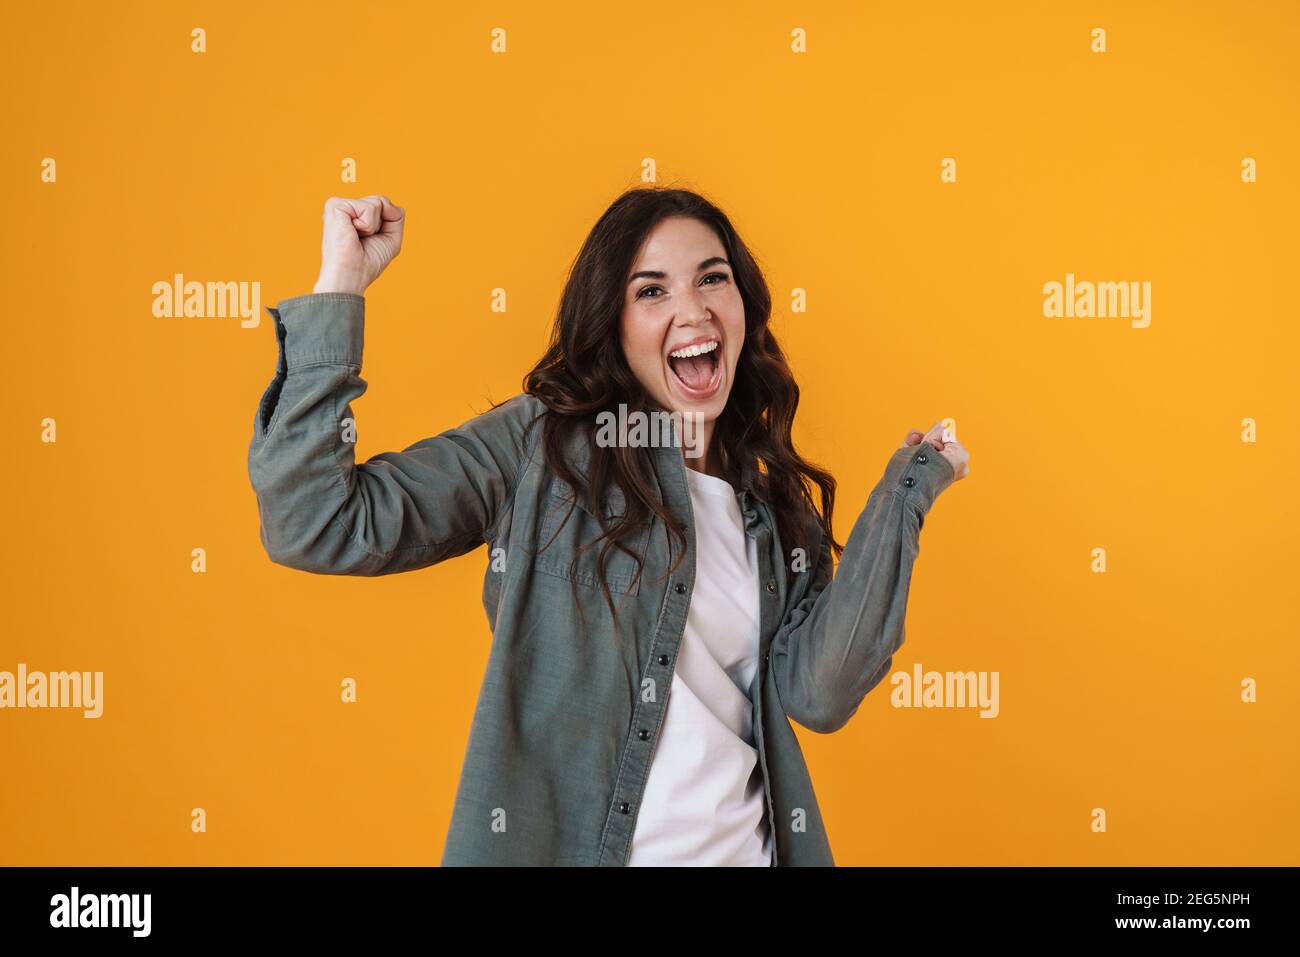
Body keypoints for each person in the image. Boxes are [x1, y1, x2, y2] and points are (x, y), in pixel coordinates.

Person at [247, 186, 970, 866]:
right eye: (651, 290)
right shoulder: (542, 448)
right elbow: (314, 518)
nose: (692, 310)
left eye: (712, 278)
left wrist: (905, 493)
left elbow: (821, 694)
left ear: (743, 302)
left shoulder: (775, 507)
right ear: (614, 324)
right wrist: (341, 281)